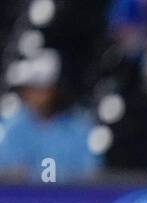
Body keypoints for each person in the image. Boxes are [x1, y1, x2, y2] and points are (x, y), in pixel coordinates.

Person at [0, 50, 101, 182]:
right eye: (30, 89)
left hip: (69, 199)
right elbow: (7, 173)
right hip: (25, 200)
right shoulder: (14, 127)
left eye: (41, 89)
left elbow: (90, 175)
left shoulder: (78, 128)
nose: (34, 96)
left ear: (54, 90)